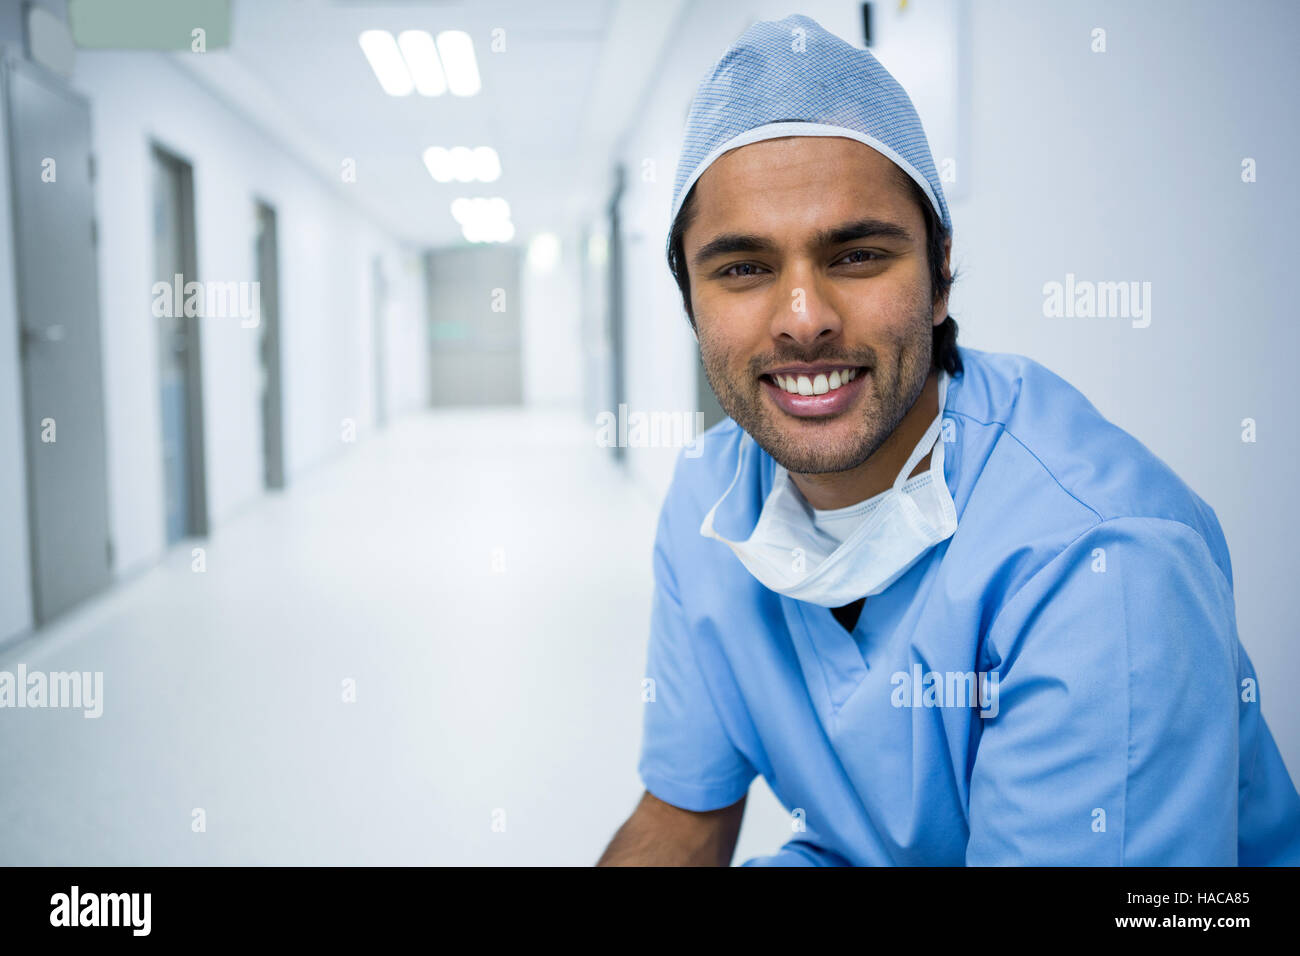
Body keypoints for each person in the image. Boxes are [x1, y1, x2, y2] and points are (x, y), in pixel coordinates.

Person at [596, 13, 1300, 866]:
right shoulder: (710, 504)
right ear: (690, 302)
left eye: (856, 255)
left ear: (938, 276)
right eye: (743, 268)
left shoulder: (1099, 559)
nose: (804, 320)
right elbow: (681, 821)